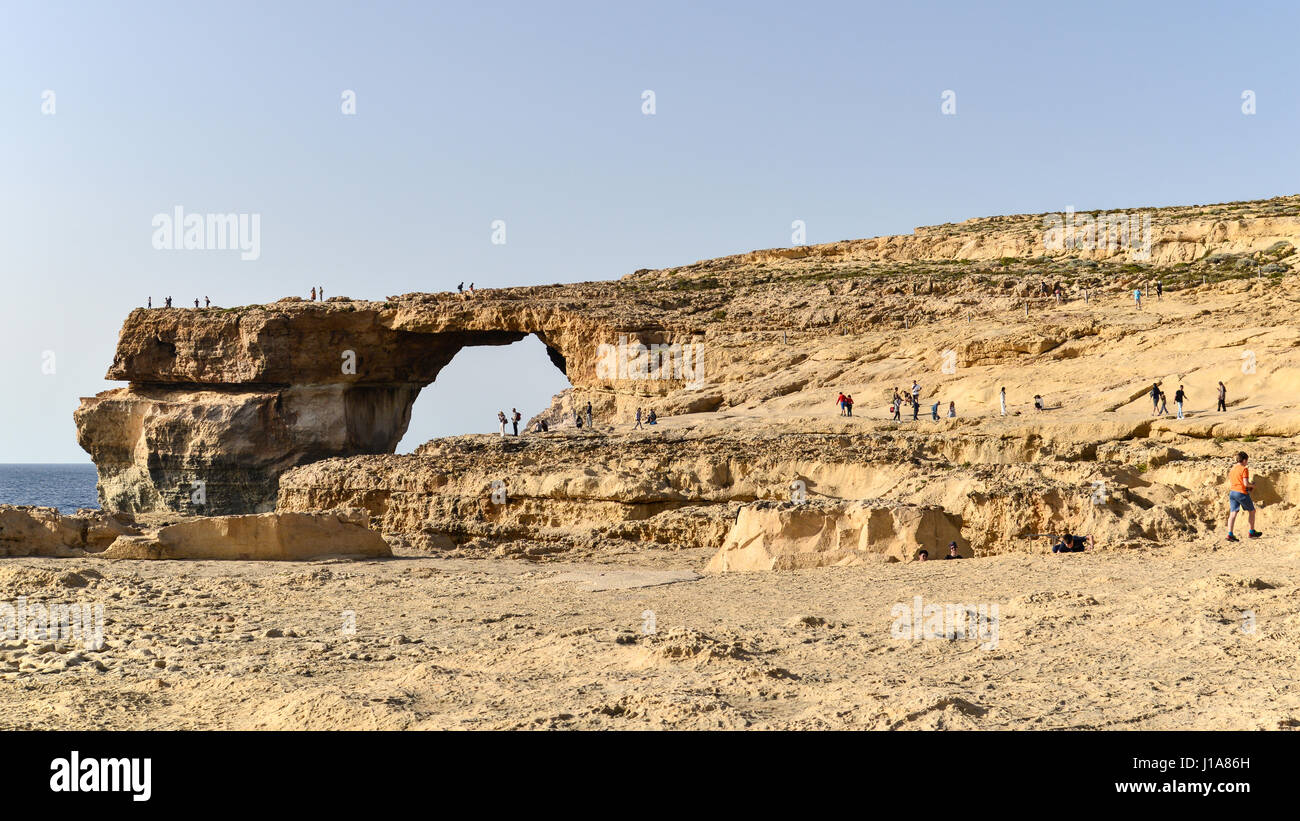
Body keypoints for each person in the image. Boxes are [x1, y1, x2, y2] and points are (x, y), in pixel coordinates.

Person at [1226, 451, 1262, 542]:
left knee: (1233, 513)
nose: (1247, 462)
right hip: (1241, 492)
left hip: (1232, 492)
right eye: (1247, 460)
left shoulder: (1232, 469)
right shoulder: (1244, 469)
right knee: (1252, 511)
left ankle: (1230, 534)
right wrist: (1252, 485)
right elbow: (1246, 484)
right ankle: (1251, 532)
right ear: (1244, 460)